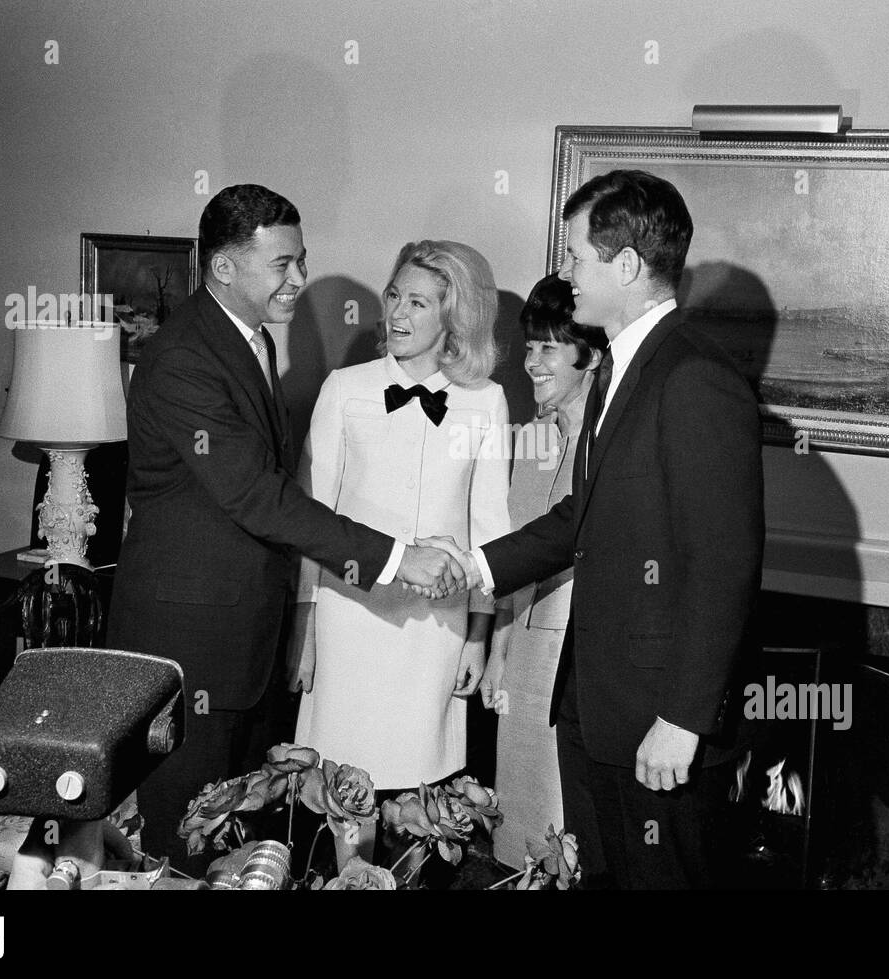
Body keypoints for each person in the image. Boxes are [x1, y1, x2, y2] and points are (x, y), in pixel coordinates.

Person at [422, 170, 765, 889]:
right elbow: (584, 515)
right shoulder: (615, 373)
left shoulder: (695, 376)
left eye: (577, 256)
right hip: (593, 709)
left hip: (656, 720)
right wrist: (479, 566)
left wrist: (684, 716)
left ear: (628, 266)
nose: (566, 272)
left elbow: (724, 564)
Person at [107, 186, 465, 870]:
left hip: (238, 639)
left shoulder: (247, 343)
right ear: (223, 269)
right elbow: (257, 495)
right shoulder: (184, 355)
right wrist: (395, 557)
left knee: (235, 849)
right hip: (190, 644)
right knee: (179, 843)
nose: (298, 278)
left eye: (302, 260)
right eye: (282, 264)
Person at [287, 239, 511, 862]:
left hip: (432, 632)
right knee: (340, 788)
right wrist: (303, 631)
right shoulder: (344, 388)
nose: (398, 313)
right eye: (394, 296)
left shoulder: (486, 402)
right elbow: (312, 523)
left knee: (418, 795)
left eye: (418, 301)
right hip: (346, 620)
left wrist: (478, 634)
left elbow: (489, 533)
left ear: (453, 316)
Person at [479, 274, 606, 870]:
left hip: (584, 669)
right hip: (525, 665)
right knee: (520, 834)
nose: (532, 362)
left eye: (548, 348)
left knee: (574, 834)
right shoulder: (531, 438)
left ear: (592, 357)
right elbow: (515, 556)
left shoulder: (614, 445)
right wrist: (497, 654)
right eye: (529, 346)